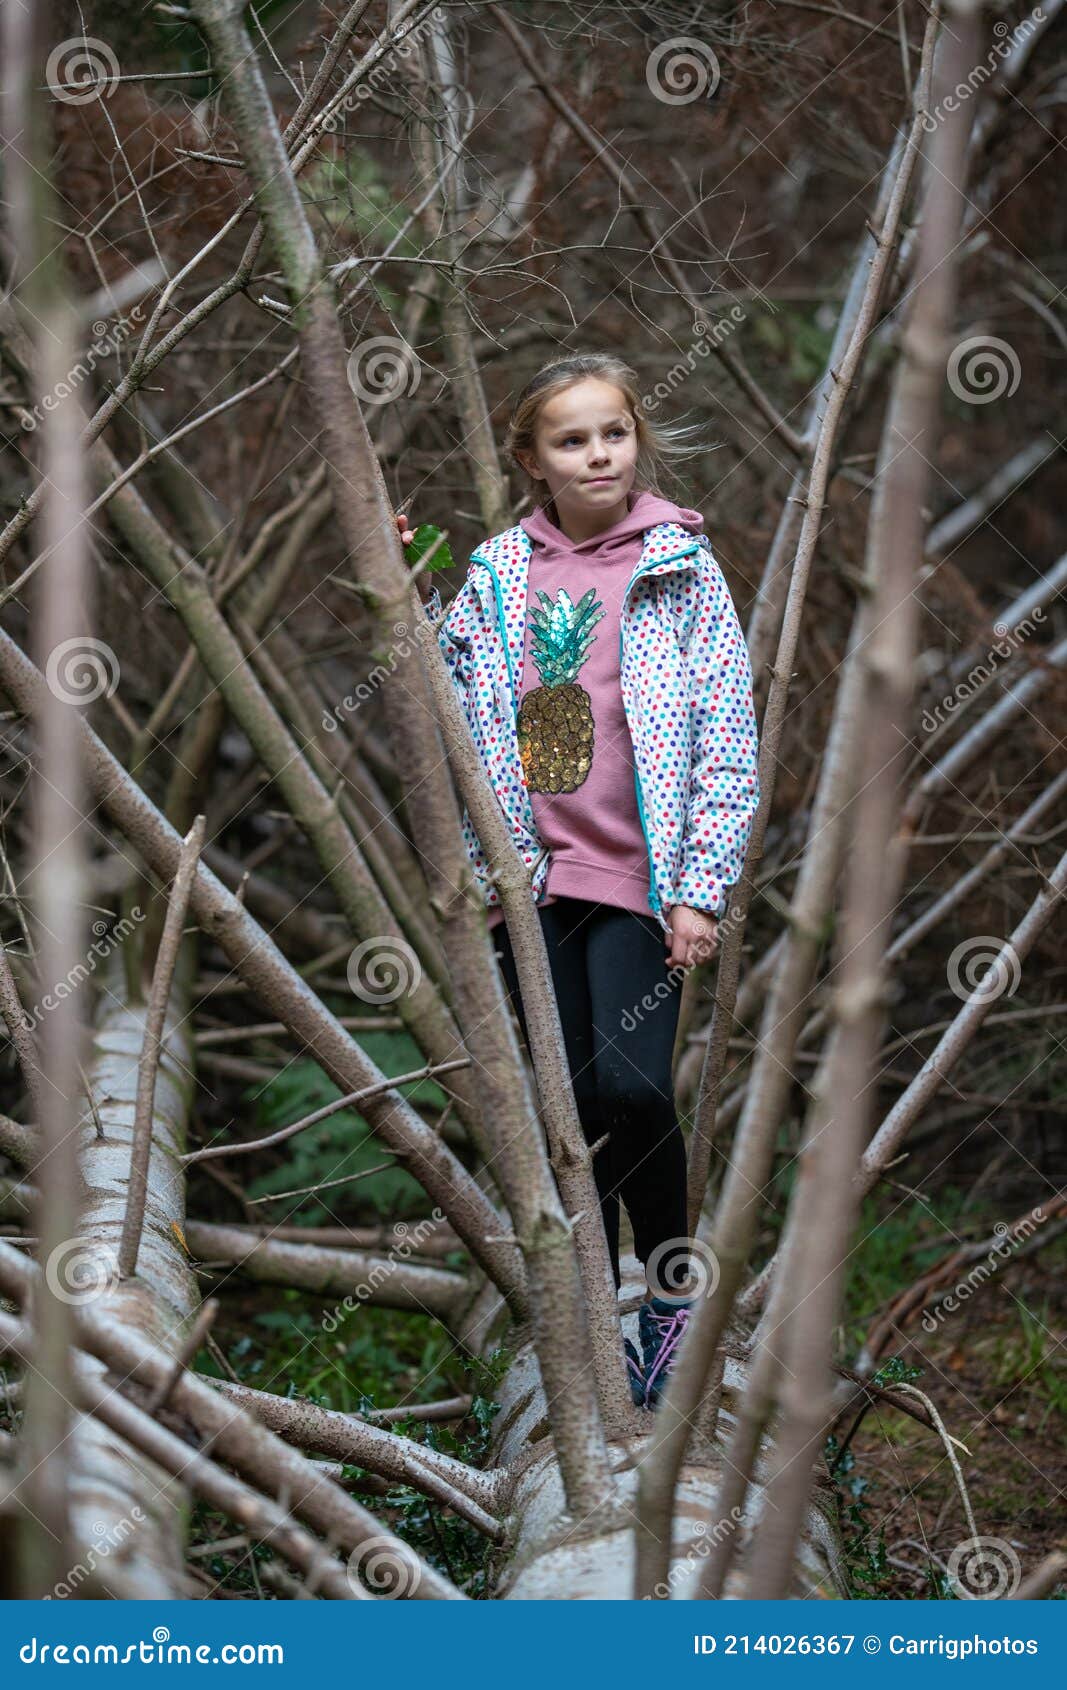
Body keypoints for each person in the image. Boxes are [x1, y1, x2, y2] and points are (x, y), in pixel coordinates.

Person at [399, 352, 760, 1407]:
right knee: (568, 1111)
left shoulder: (680, 566)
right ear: (531, 460)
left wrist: (699, 885)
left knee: (632, 1085)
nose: (597, 453)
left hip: (641, 876)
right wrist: (410, 591)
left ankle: (673, 1289)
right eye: (570, 439)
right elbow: (448, 692)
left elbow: (723, 738)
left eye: (611, 432)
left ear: (634, 439)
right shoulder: (500, 570)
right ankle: (596, 1316)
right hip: (528, 877)